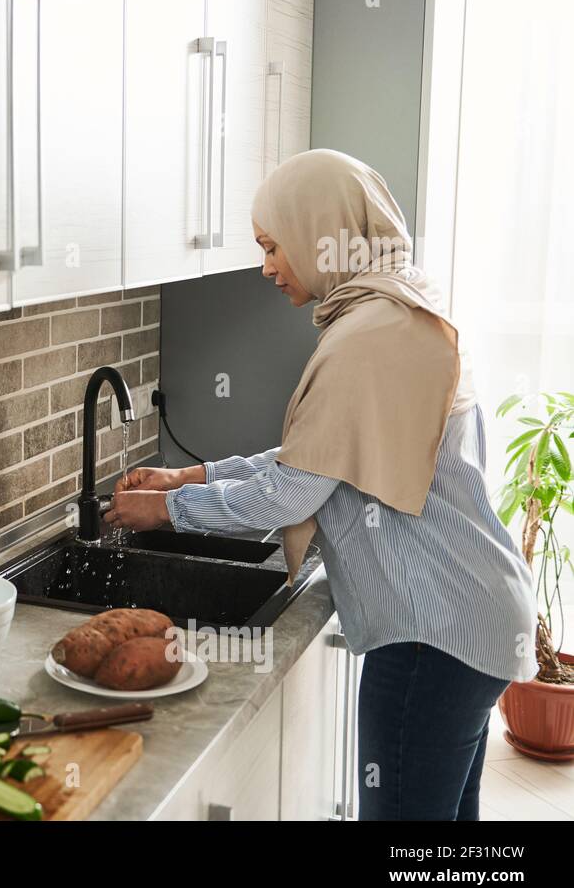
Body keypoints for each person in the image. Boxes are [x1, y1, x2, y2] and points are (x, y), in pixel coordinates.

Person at [104, 149, 537, 821]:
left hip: (435, 637)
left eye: (274, 245)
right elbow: (329, 452)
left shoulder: (370, 334)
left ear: (320, 229)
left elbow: (289, 494)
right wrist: (194, 474)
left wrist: (164, 510)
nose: (267, 266)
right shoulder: (397, 307)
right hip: (471, 615)